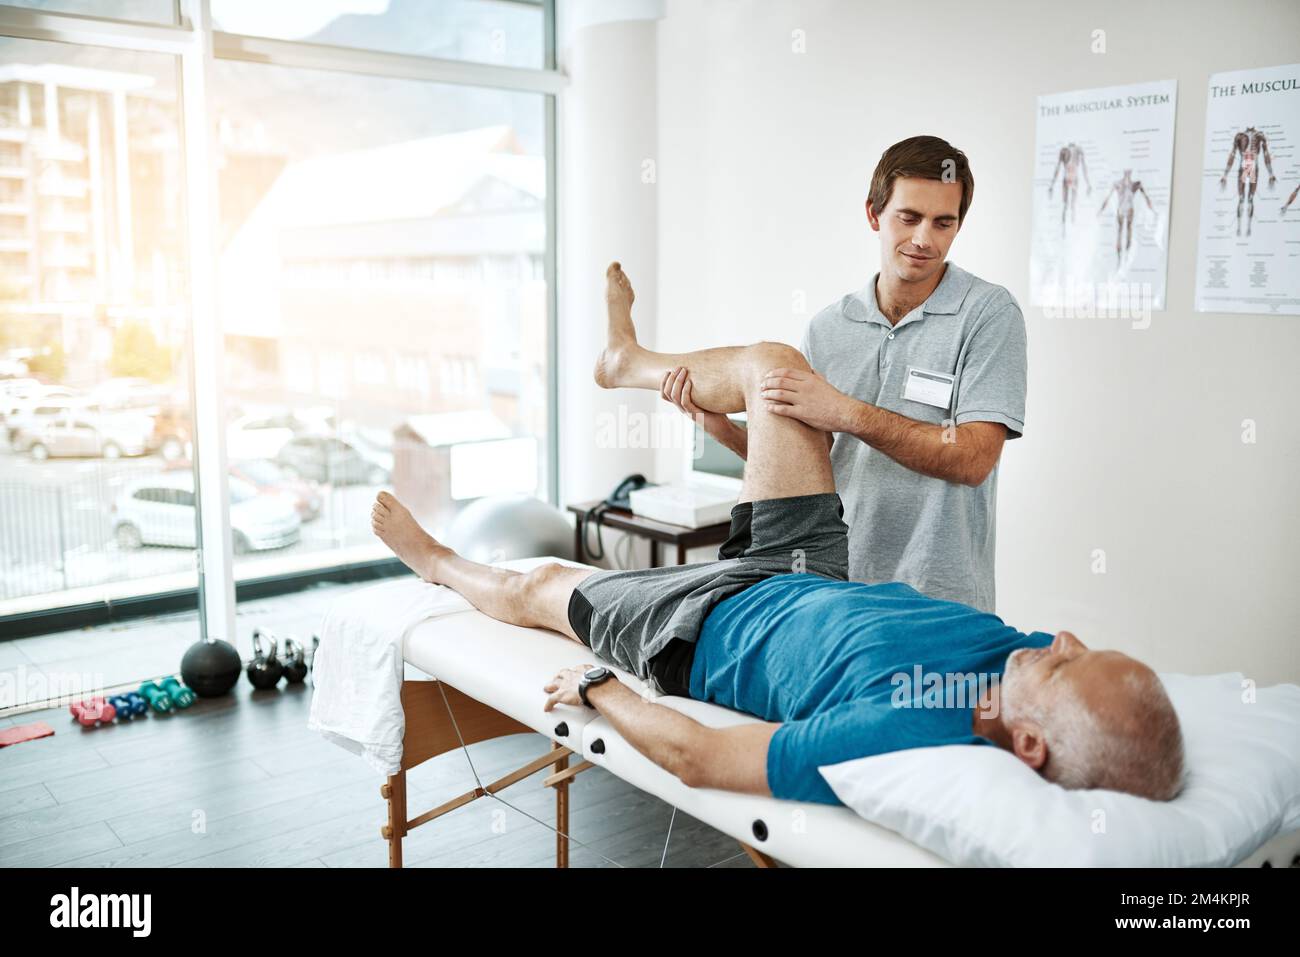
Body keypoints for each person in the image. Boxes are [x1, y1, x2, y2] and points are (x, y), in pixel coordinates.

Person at [371, 263, 1185, 807]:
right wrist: (721, 426)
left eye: (1070, 661)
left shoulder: (907, 726)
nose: (1065, 636)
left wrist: (601, 689)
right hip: (811, 569)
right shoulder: (1029, 659)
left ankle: (437, 560)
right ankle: (626, 358)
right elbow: (1091, 704)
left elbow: (701, 758)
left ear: (1031, 742)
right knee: (775, 367)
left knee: (535, 582)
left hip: (703, 625)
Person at [662, 136, 1028, 613]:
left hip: (940, 601)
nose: (924, 239)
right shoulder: (829, 326)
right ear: (874, 214)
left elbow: (974, 460)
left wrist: (846, 412)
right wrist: (723, 432)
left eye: (944, 223)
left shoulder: (988, 313)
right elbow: (815, 465)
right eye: (909, 217)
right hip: (838, 591)